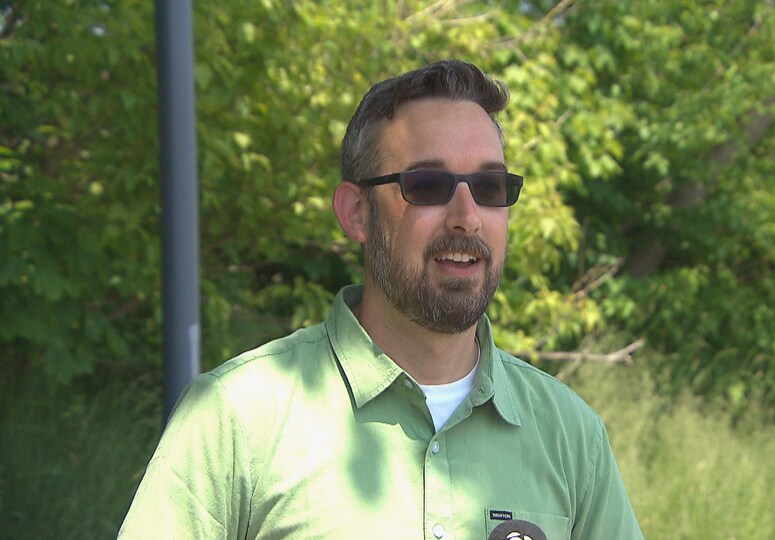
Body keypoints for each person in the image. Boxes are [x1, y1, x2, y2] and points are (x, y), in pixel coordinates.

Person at [119, 59, 643, 540]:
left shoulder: (572, 438)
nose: (468, 214)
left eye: (489, 185)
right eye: (430, 184)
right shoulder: (236, 416)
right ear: (356, 213)